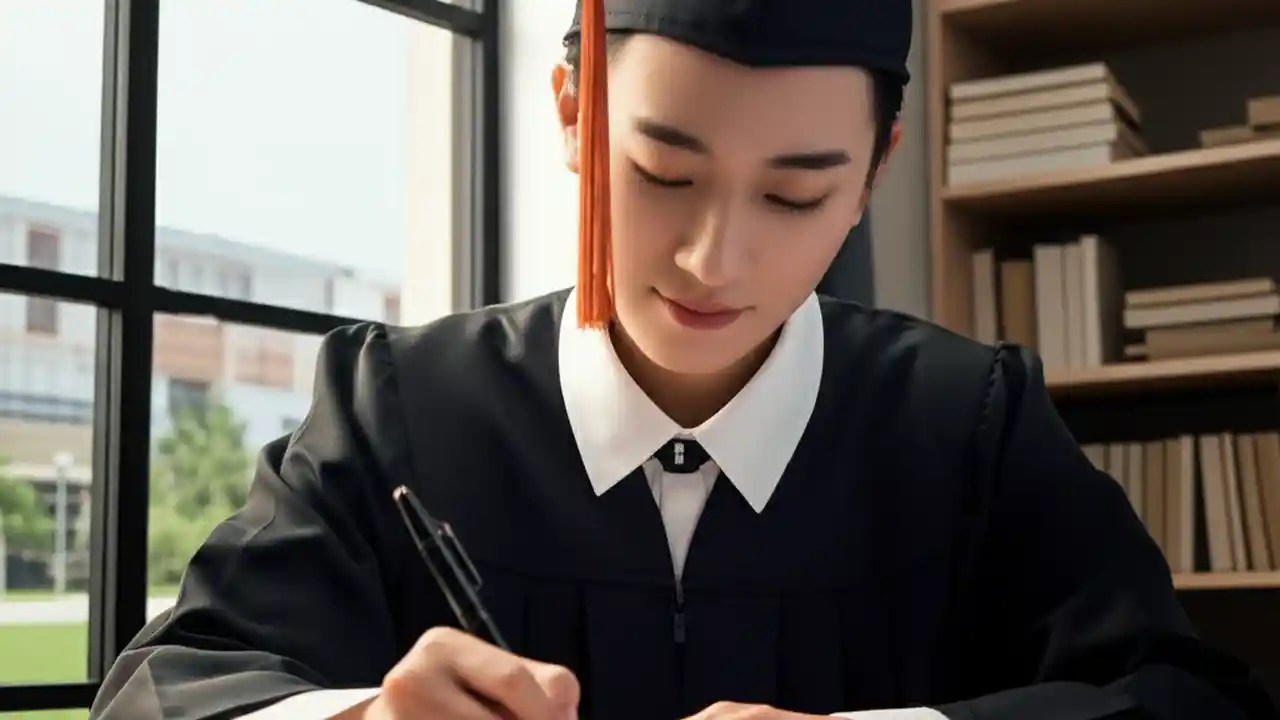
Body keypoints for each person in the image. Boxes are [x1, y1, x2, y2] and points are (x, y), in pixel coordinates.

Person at [89, 0, 1280, 718]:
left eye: (797, 191)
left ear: (875, 169)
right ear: (569, 109)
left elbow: (1182, 702)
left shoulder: (967, 424)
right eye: (660, 173)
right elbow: (158, 693)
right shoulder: (396, 408)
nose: (716, 258)